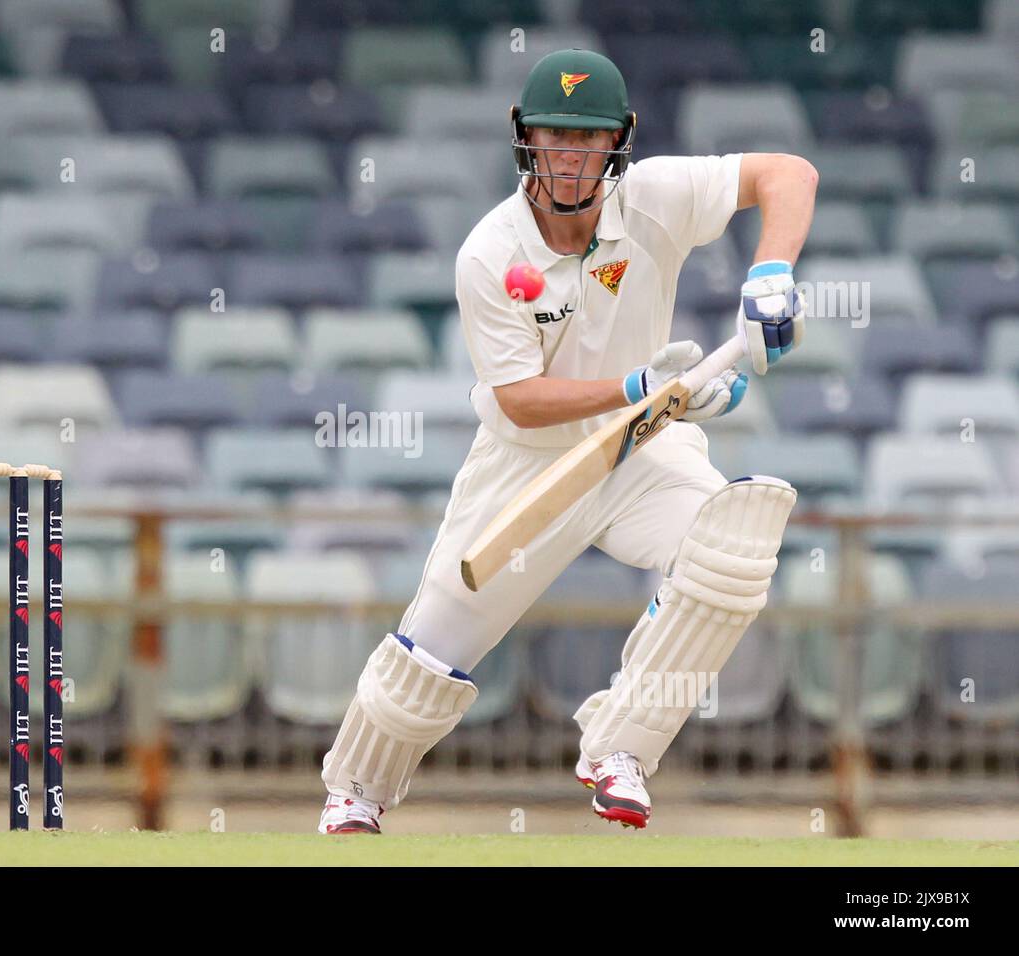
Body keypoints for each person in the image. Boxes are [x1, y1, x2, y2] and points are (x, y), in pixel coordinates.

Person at [318, 48, 814, 834]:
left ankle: (622, 748)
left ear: (620, 139)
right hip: (529, 463)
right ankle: (355, 792)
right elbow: (517, 402)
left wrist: (773, 270)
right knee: (431, 651)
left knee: (733, 544)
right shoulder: (490, 253)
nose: (570, 154)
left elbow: (788, 174)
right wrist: (635, 389)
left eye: (588, 137)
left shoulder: (654, 197)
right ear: (525, 136)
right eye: (555, 135)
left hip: (644, 450)